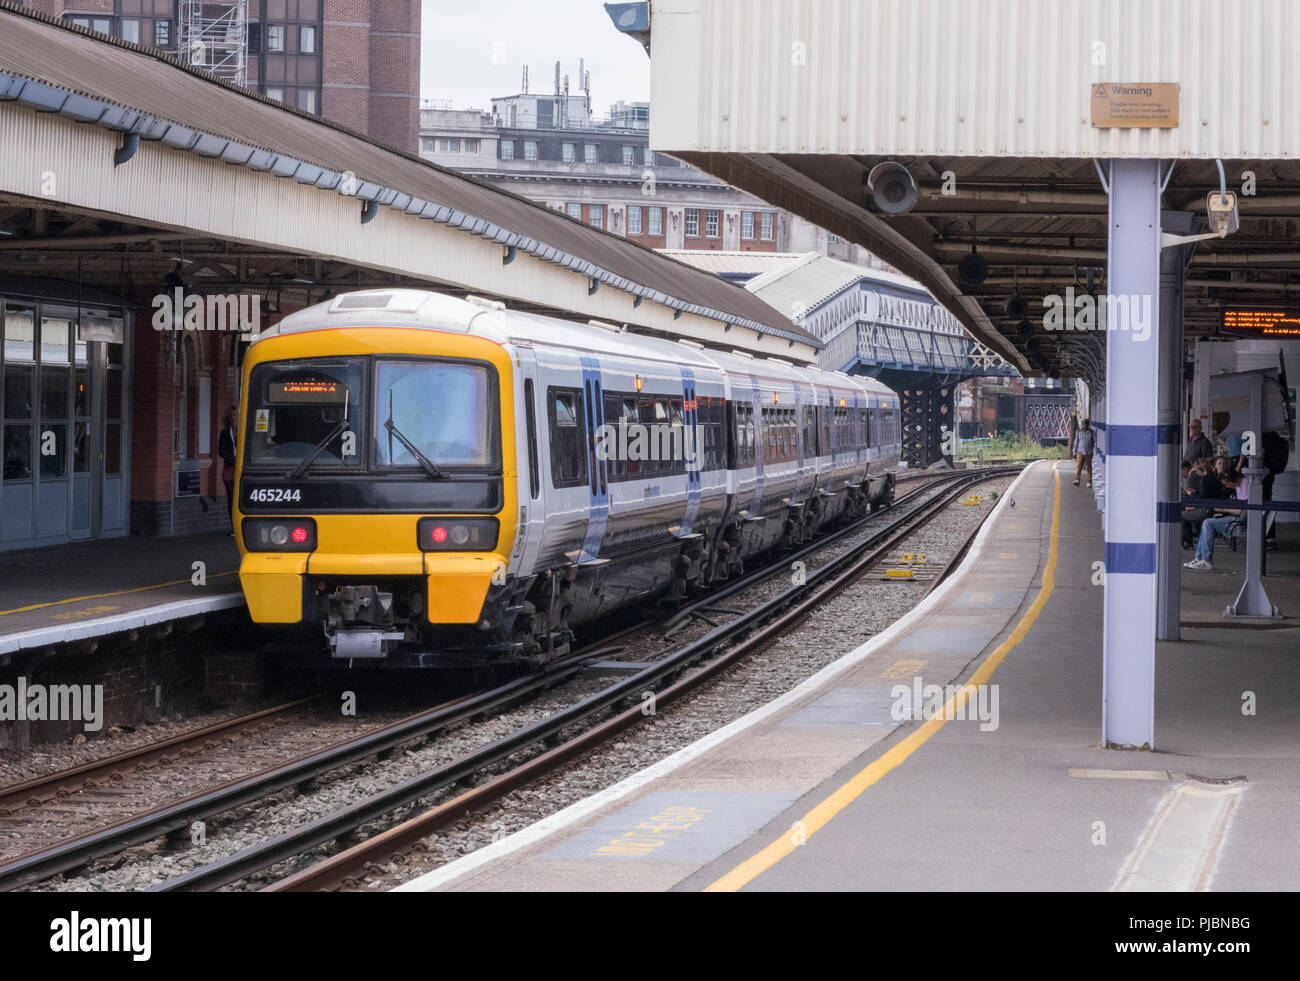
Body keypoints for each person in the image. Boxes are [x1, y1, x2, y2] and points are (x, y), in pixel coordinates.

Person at [1185, 470, 1250, 570]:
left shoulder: (1245, 484)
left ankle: (1207, 560)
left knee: (1208, 523)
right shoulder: (1239, 485)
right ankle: (1199, 557)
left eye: (1227, 483)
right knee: (1206, 522)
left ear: (1233, 479)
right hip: (1238, 518)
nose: (1227, 486)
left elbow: (1243, 510)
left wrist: (1223, 509)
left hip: (1240, 521)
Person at [218, 406, 238, 536]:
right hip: (230, 468)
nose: (234, 418)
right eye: (231, 415)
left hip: (241, 468)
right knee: (231, 498)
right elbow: (221, 451)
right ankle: (233, 528)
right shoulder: (224, 432)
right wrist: (231, 460)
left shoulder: (244, 431)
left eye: (235, 415)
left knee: (240, 498)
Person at [1071, 418, 1095, 487]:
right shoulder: (1078, 432)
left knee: (1089, 467)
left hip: (1089, 452)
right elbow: (1076, 442)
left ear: (1088, 424)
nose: (1084, 425)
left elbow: (1094, 442)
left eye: (1085, 424)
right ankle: (1077, 480)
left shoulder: (1091, 432)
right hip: (1080, 451)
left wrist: (1093, 451)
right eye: (1083, 424)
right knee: (1079, 466)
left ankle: (1089, 482)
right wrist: (1074, 452)